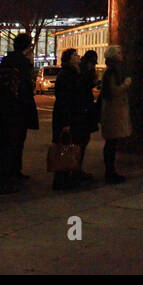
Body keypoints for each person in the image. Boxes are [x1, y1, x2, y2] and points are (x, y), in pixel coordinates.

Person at [0, 33, 39, 194]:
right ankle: (4, 178)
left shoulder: (7, 60)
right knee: (11, 143)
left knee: (7, 142)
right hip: (15, 109)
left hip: (5, 108)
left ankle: (6, 176)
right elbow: (27, 87)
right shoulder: (22, 63)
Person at [51, 48, 85, 191]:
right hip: (67, 117)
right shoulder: (67, 75)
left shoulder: (73, 73)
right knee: (65, 147)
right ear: (70, 58)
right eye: (75, 55)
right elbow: (64, 99)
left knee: (68, 146)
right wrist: (66, 122)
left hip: (71, 115)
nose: (78, 57)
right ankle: (62, 179)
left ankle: (66, 177)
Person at [99, 45, 131, 184]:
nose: (121, 54)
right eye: (118, 52)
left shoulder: (112, 71)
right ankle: (110, 172)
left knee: (112, 143)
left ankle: (111, 171)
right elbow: (115, 91)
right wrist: (126, 84)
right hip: (113, 111)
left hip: (114, 110)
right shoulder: (112, 72)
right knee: (111, 143)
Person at [76, 49, 101, 182]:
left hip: (83, 110)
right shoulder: (85, 73)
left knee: (81, 141)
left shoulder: (80, 70)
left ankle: (75, 169)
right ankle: (75, 169)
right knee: (81, 141)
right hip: (84, 111)